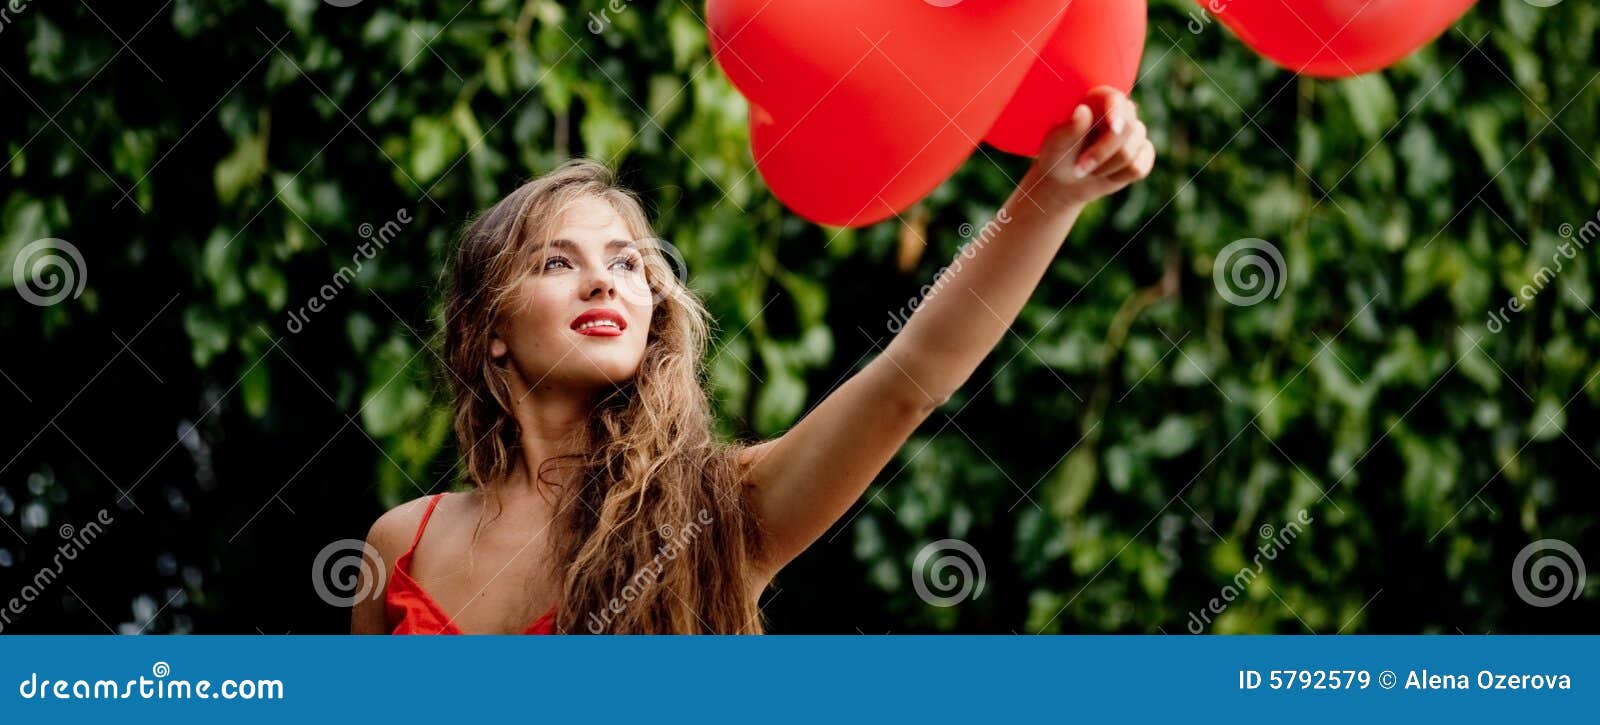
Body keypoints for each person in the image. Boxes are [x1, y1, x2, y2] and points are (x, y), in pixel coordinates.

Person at [349, 85, 1154, 634]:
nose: (604, 278)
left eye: (629, 263)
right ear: (489, 326)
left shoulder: (716, 510)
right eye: (558, 262)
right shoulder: (401, 544)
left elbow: (913, 376)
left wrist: (1049, 196)